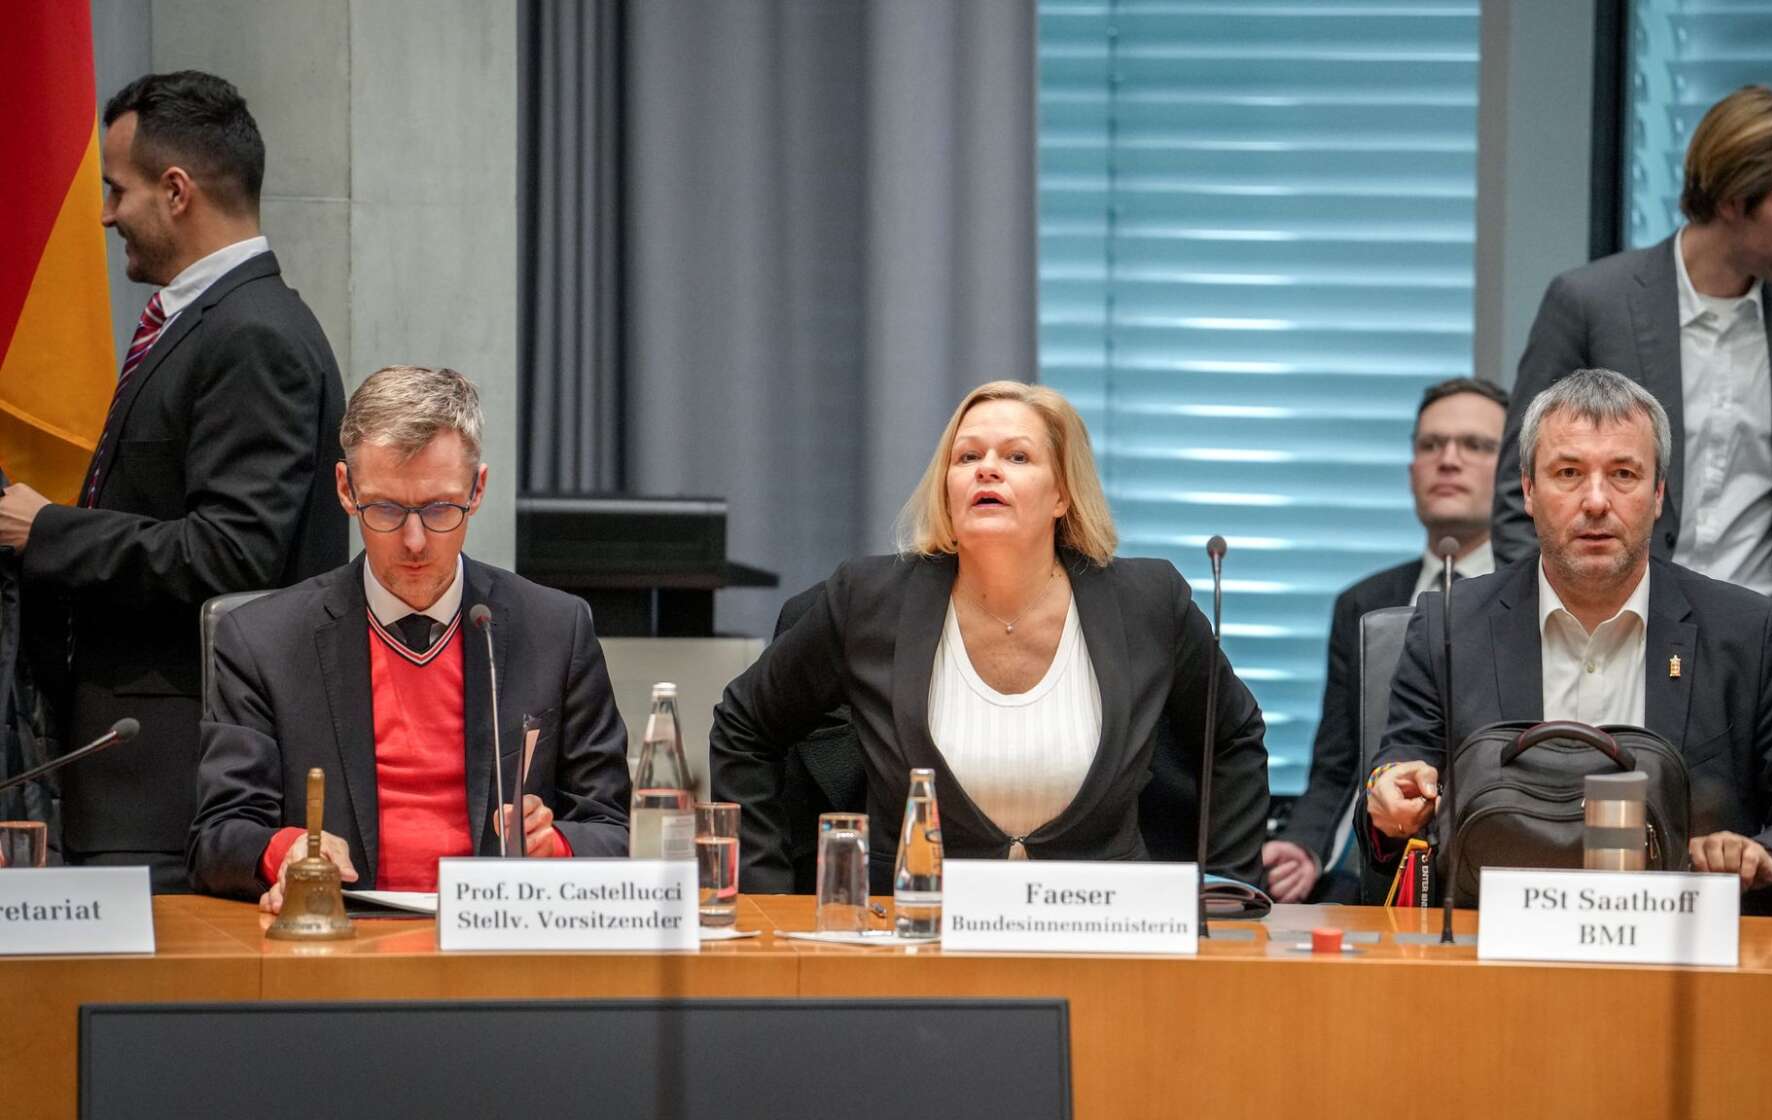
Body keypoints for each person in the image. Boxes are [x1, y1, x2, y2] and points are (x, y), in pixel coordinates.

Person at [710, 381, 1269, 892]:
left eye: (1017, 456)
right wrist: (766, 899)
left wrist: (1226, 893)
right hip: (916, 935)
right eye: (967, 457)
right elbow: (744, 725)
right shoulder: (869, 600)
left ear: (1061, 496)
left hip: (1103, 933)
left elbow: (1235, 735)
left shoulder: (1148, 602)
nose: (987, 470)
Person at [0, 71, 345, 889]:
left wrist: (45, 531)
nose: (107, 213)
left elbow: (234, 555)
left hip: (172, 782)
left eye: (117, 190)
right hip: (128, 773)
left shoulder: (254, 335)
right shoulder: (209, 323)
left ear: (177, 190)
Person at [1368, 369, 1772, 916]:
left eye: (1623, 474)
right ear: (1528, 490)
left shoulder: (1746, 633)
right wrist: (1390, 803)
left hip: (1683, 952)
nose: (1596, 501)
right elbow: (1394, 790)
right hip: (1495, 954)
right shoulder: (1450, 625)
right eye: (1568, 473)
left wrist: (1763, 855)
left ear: (1659, 492)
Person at [1493, 85, 1772, 748]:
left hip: (1762, 659)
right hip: (1615, 642)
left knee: (1751, 851)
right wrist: (1540, 648)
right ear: (1733, 201)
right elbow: (1517, 491)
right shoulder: (1590, 302)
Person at [188, 367, 630, 910]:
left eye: (441, 508)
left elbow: (615, 827)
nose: (415, 541)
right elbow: (219, 836)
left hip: (500, 940)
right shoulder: (263, 639)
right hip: (341, 936)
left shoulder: (555, 628)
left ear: (478, 489)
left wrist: (556, 845)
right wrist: (287, 851)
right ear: (347, 490)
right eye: (387, 509)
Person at [1264, 377, 1507, 903]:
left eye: (1475, 445)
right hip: (1379, 860)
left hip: (1499, 864)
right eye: (1430, 445)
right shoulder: (1364, 604)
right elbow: (1336, 769)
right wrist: (1302, 847)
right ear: (1411, 472)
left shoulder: (1538, 597)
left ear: (1514, 475)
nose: (1448, 459)